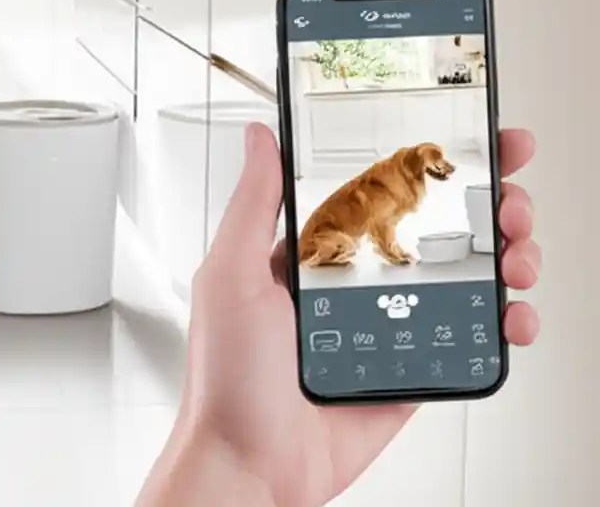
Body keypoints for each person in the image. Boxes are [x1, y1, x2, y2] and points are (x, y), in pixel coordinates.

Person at [137, 125, 541, 507]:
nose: (443, 170)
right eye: (437, 163)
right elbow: (382, 224)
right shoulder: (385, 186)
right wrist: (237, 455)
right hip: (323, 245)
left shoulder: (395, 178)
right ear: (418, 164)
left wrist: (240, 464)